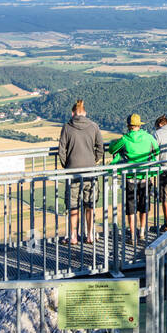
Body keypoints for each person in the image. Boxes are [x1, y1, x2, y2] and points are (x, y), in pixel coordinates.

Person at [57, 99, 106, 244]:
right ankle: (90, 234)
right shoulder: (94, 126)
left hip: (72, 172)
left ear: (72, 113)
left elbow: (61, 151)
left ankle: (73, 236)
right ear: (85, 113)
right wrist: (93, 161)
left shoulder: (66, 127)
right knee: (90, 204)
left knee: (73, 205)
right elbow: (100, 148)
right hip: (90, 172)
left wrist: (68, 166)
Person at [111, 113, 160, 242]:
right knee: (144, 205)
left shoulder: (125, 139)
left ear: (128, 126)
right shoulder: (148, 137)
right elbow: (157, 150)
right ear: (139, 125)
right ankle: (142, 232)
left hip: (130, 177)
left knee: (131, 206)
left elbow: (112, 149)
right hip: (145, 176)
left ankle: (132, 235)